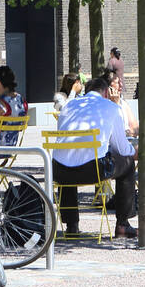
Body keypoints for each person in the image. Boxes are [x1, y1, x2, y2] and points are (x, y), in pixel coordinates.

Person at [54, 74, 138, 238]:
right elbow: (122, 149)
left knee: (68, 159)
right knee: (127, 163)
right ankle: (123, 223)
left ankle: (71, 225)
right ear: (106, 92)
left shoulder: (68, 106)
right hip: (93, 170)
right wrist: (133, 151)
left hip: (59, 170)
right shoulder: (111, 107)